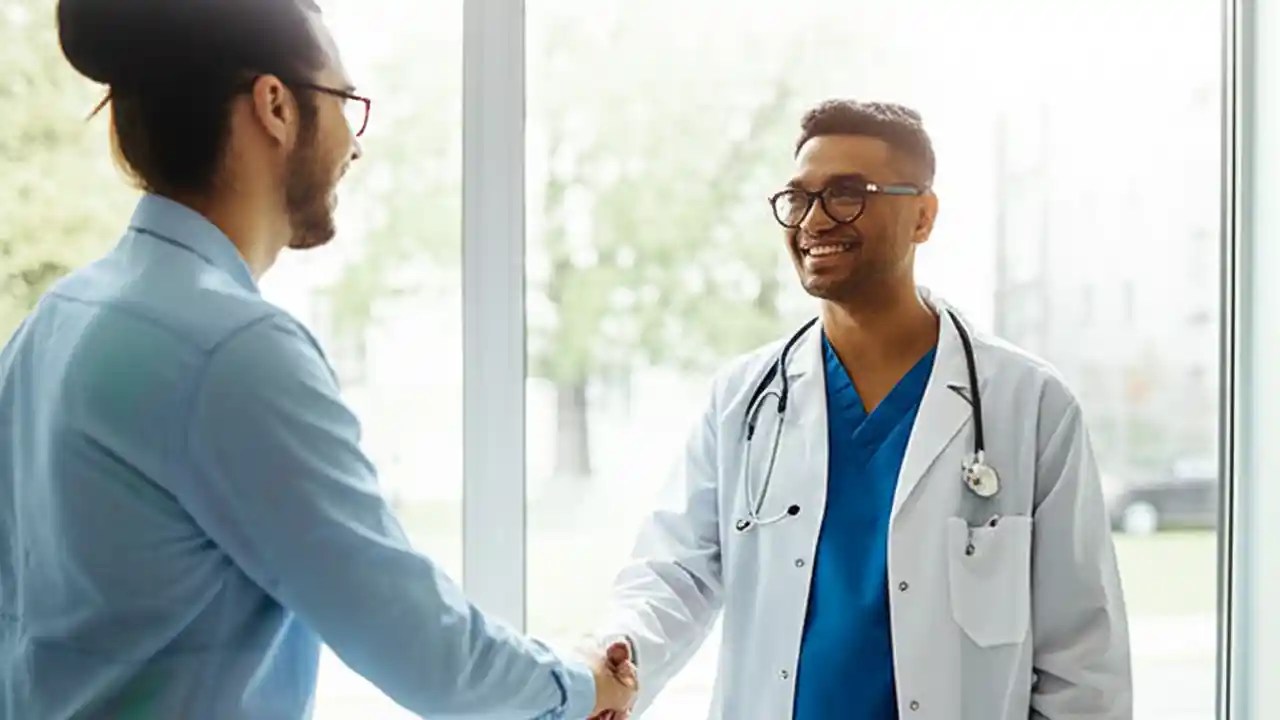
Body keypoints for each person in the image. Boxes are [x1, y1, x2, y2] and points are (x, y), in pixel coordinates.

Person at [0, 1, 636, 718]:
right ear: (275, 106)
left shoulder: (57, 319)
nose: (354, 146)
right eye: (345, 103)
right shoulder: (231, 349)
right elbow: (428, 653)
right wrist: (581, 684)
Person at [587, 100, 1132, 719]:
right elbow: (675, 572)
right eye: (798, 199)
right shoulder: (743, 400)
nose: (815, 220)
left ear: (923, 215)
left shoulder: (1030, 404)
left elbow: (1083, 657)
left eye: (848, 194)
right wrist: (618, 652)